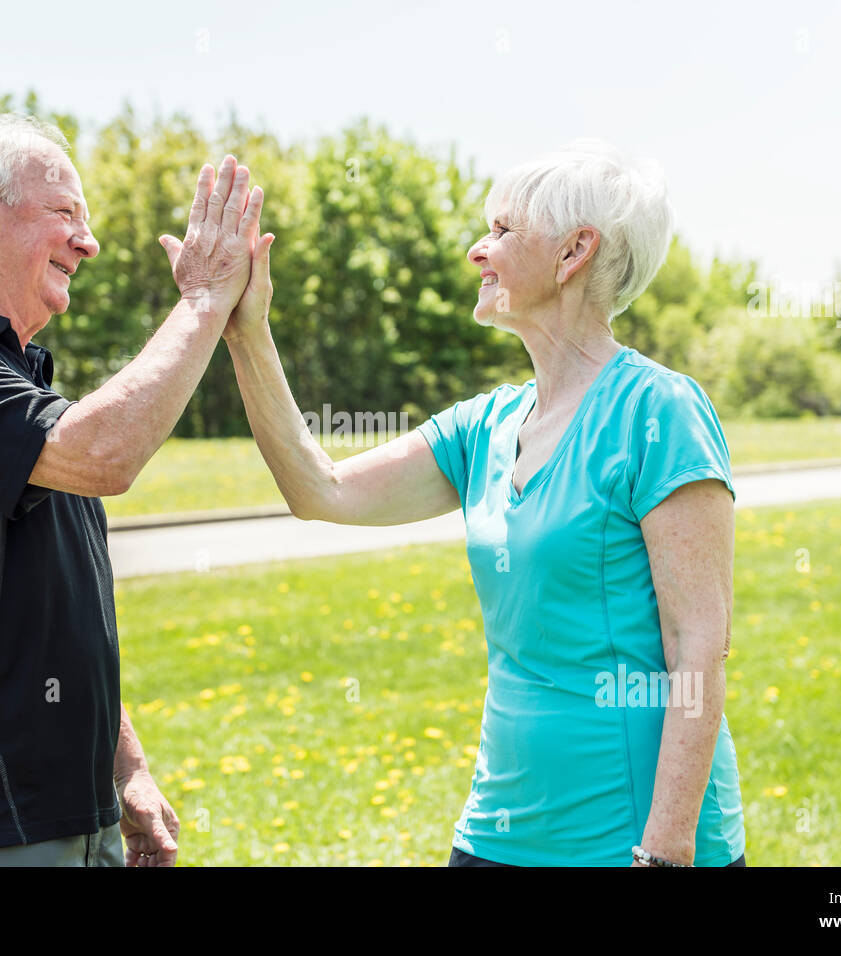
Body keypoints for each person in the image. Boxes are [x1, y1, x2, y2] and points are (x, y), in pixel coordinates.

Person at [219, 139, 747, 866]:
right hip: (499, 835)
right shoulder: (484, 426)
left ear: (573, 254)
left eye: (502, 231)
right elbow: (321, 491)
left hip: (628, 844)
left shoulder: (659, 412)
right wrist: (247, 329)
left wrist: (665, 848)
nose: (477, 249)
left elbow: (699, 644)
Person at [0, 114, 264, 866]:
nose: (88, 243)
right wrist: (202, 300)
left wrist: (126, 770)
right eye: (66, 214)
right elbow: (107, 456)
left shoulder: (25, 389)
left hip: (67, 818)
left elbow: (53, 608)